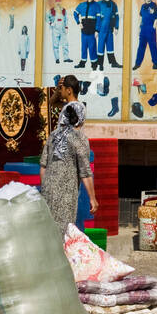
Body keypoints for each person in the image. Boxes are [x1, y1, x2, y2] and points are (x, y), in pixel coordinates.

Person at [42, 76, 99, 234]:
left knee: (63, 210)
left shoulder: (74, 108)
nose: (60, 92)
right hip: (63, 161)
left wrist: (92, 197)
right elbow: (51, 103)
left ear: (69, 90)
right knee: (61, 210)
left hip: (65, 163)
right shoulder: (71, 106)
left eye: (62, 89)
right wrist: (57, 90)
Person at [74, 0, 100, 69]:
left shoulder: (96, 5)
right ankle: (82, 63)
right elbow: (75, 13)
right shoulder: (81, 5)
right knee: (84, 47)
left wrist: (97, 30)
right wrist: (79, 22)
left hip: (92, 31)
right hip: (84, 31)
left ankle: (94, 64)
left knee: (92, 48)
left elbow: (99, 19)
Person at [134, 0, 157, 69]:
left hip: (150, 29)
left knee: (153, 46)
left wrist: (154, 27)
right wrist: (139, 28)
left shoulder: (154, 5)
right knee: (141, 47)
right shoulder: (142, 6)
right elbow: (141, 17)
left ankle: (155, 63)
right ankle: (137, 64)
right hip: (143, 29)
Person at [97, 0, 121, 69]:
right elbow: (96, 17)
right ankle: (100, 64)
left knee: (110, 46)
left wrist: (116, 27)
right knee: (100, 47)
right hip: (101, 29)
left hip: (109, 29)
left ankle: (113, 63)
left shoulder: (113, 5)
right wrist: (96, 29)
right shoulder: (99, 4)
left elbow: (117, 17)